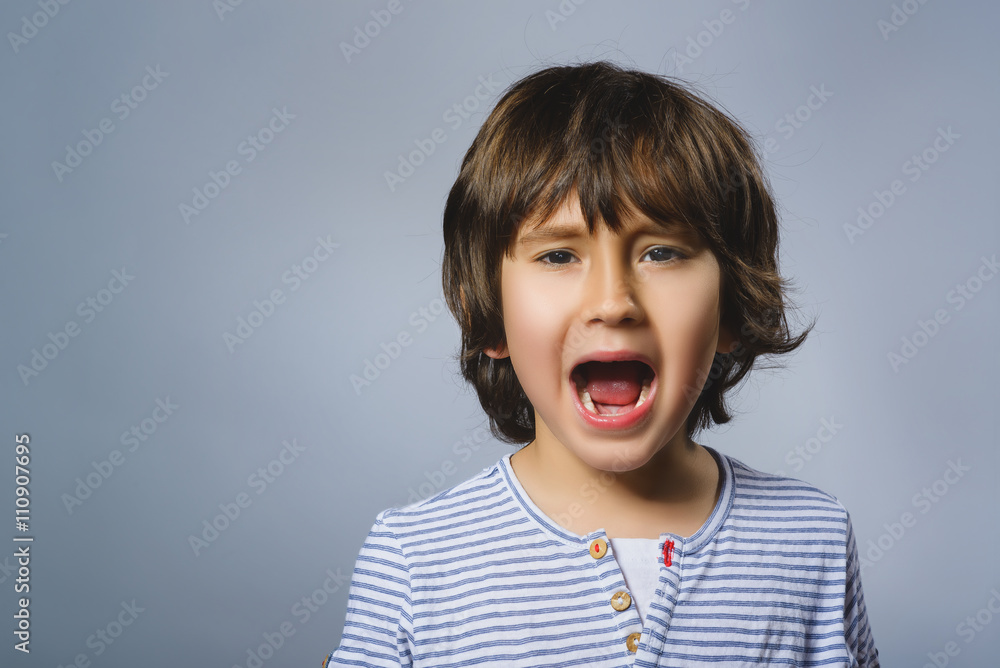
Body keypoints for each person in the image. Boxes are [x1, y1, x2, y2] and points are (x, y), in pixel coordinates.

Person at [325, 61, 879, 666]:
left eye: (661, 253)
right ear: (489, 313)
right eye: (560, 255)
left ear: (730, 310)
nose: (613, 303)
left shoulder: (812, 539)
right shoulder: (414, 559)